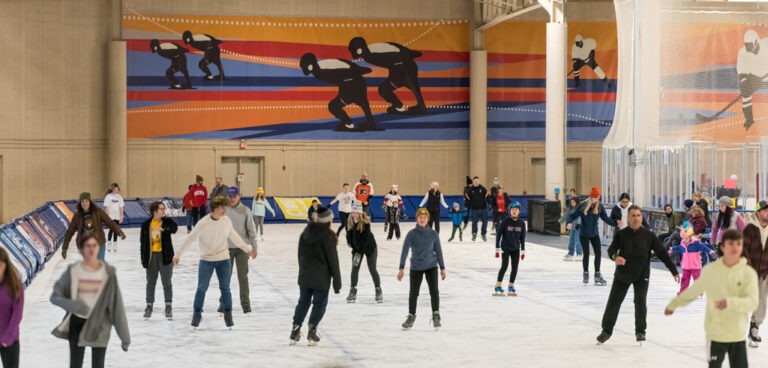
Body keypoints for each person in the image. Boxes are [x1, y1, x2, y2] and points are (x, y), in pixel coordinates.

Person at [665, 230, 759, 368]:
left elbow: (753, 302)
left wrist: (730, 303)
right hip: (716, 334)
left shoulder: (748, 273)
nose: (735, 247)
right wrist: (674, 304)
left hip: (737, 334)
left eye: (738, 244)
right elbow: (694, 290)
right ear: (722, 247)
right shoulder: (711, 271)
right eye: (730, 243)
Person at [596, 206, 680, 345]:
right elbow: (611, 250)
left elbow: (662, 253)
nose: (636, 218)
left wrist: (674, 271)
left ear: (642, 218)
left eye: (638, 215)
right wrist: (615, 257)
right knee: (614, 302)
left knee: (640, 302)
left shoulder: (649, 235)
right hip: (623, 274)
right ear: (628, 218)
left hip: (642, 274)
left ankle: (640, 331)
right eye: (633, 215)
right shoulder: (621, 234)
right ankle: (606, 331)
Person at [173, 196, 256, 329]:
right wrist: (178, 255)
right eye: (222, 207)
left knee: (225, 289)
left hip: (223, 259)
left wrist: (247, 249)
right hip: (206, 260)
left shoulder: (226, 221)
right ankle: (197, 314)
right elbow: (190, 239)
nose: (224, 210)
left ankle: (228, 315)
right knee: (201, 288)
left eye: (225, 207)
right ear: (215, 208)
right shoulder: (204, 223)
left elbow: (234, 236)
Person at [50, 233, 130, 368]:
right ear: (81, 249)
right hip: (77, 323)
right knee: (75, 364)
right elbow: (55, 297)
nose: (91, 249)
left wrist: (124, 336)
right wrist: (73, 305)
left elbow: (116, 307)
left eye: (94, 245)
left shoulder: (108, 274)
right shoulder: (73, 271)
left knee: (98, 365)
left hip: (100, 324)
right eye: (88, 246)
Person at [290, 207, 341, 346]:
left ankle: (295, 329)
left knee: (303, 302)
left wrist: (303, 270)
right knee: (320, 304)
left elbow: (300, 255)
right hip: (321, 278)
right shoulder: (328, 236)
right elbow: (333, 260)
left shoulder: (305, 233)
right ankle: (312, 330)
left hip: (305, 275)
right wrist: (337, 281)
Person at [398, 208, 446, 330]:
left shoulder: (433, 234)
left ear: (428, 219)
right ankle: (411, 316)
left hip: (431, 266)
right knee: (413, 293)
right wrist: (401, 268)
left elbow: (438, 251)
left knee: (434, 291)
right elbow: (404, 251)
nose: (422, 219)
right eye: (420, 217)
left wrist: (442, 268)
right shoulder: (411, 234)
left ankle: (436, 314)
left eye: (424, 217)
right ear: (417, 218)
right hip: (416, 267)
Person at [219, 187, 259, 314]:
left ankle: (245, 304)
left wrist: (254, 248)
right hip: (226, 250)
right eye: (230, 196)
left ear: (239, 196)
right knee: (226, 278)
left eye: (234, 196)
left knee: (243, 277)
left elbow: (251, 232)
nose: (231, 198)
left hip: (242, 250)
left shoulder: (245, 211)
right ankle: (223, 303)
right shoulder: (223, 211)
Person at [568, 187, 619, 285]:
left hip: (594, 234)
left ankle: (597, 274)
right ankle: (586, 273)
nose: (596, 200)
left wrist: (615, 223)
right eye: (594, 198)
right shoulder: (583, 206)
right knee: (586, 254)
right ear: (591, 197)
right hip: (584, 234)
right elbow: (572, 215)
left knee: (598, 253)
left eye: (597, 198)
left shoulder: (599, 207)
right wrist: (569, 222)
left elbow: (605, 218)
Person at [139, 202, 178, 320]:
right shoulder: (146, 225)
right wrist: (144, 258)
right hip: (151, 257)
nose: (163, 211)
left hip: (165, 256)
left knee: (167, 282)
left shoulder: (167, 221)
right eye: (161, 209)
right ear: (155, 211)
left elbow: (174, 228)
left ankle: (168, 305)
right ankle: (149, 306)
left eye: (163, 209)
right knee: (150, 283)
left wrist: (163, 228)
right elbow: (142, 243)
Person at [63, 192, 126, 261]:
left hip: (99, 243)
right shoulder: (77, 215)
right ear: (80, 203)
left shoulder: (97, 212)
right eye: (82, 201)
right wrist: (64, 248)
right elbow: (70, 231)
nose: (84, 203)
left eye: (86, 201)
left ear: (90, 202)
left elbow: (110, 222)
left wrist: (119, 232)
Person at [345, 201, 382, 304]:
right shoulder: (349, 222)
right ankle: (353, 290)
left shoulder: (365, 223)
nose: (354, 215)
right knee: (355, 268)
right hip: (357, 249)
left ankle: (378, 289)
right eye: (353, 212)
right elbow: (349, 238)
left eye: (356, 212)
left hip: (370, 248)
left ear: (360, 213)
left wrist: (358, 253)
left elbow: (364, 242)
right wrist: (353, 249)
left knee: (372, 269)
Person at [743, 200, 768, 348]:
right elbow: (744, 250)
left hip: (765, 270)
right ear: (758, 212)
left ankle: (754, 327)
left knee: (761, 300)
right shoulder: (750, 229)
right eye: (765, 210)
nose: (767, 212)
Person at [669, 222, 713, 295]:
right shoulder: (682, 243)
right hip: (686, 265)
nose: (684, 239)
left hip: (695, 265)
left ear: (690, 236)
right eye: (683, 238)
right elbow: (679, 248)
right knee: (685, 280)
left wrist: (710, 251)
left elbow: (703, 247)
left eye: (686, 238)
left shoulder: (696, 243)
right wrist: (672, 249)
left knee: (697, 279)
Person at [493, 202, 526, 296]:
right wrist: (497, 248)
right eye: (512, 210)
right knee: (504, 266)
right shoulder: (505, 222)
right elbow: (499, 234)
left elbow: (522, 238)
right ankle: (498, 285)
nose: (514, 211)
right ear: (509, 211)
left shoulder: (521, 223)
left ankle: (511, 285)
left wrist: (523, 250)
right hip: (505, 248)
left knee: (515, 268)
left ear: (519, 211)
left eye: (516, 210)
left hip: (516, 249)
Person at [0, 248, 23, 368]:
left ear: (6, 266)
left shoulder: (15, 285)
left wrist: (7, 338)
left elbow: (17, 315)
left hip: (10, 340)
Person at [465, 176, 489, 242]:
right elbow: (467, 200)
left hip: (483, 209)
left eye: (477, 181)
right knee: (474, 223)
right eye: (475, 181)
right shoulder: (470, 190)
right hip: (474, 210)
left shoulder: (483, 189)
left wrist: (490, 204)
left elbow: (488, 197)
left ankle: (483, 234)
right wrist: (466, 207)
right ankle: (474, 234)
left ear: (479, 181)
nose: (476, 182)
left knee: (485, 222)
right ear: (473, 182)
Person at [103, 183, 124, 253]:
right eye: (114, 189)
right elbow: (107, 207)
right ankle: (109, 243)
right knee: (111, 229)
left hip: (117, 216)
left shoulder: (119, 197)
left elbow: (121, 207)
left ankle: (115, 243)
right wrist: (107, 217)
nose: (116, 190)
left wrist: (121, 216)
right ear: (112, 189)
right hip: (110, 216)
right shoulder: (108, 197)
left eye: (117, 189)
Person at [561, 197, 583, 261]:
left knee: (577, 240)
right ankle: (571, 253)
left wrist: (578, 224)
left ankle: (579, 254)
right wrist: (566, 223)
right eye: (571, 202)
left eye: (573, 202)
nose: (572, 203)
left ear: (577, 202)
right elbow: (568, 216)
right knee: (571, 240)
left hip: (578, 227)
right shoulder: (571, 209)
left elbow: (580, 217)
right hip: (572, 227)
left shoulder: (579, 209)